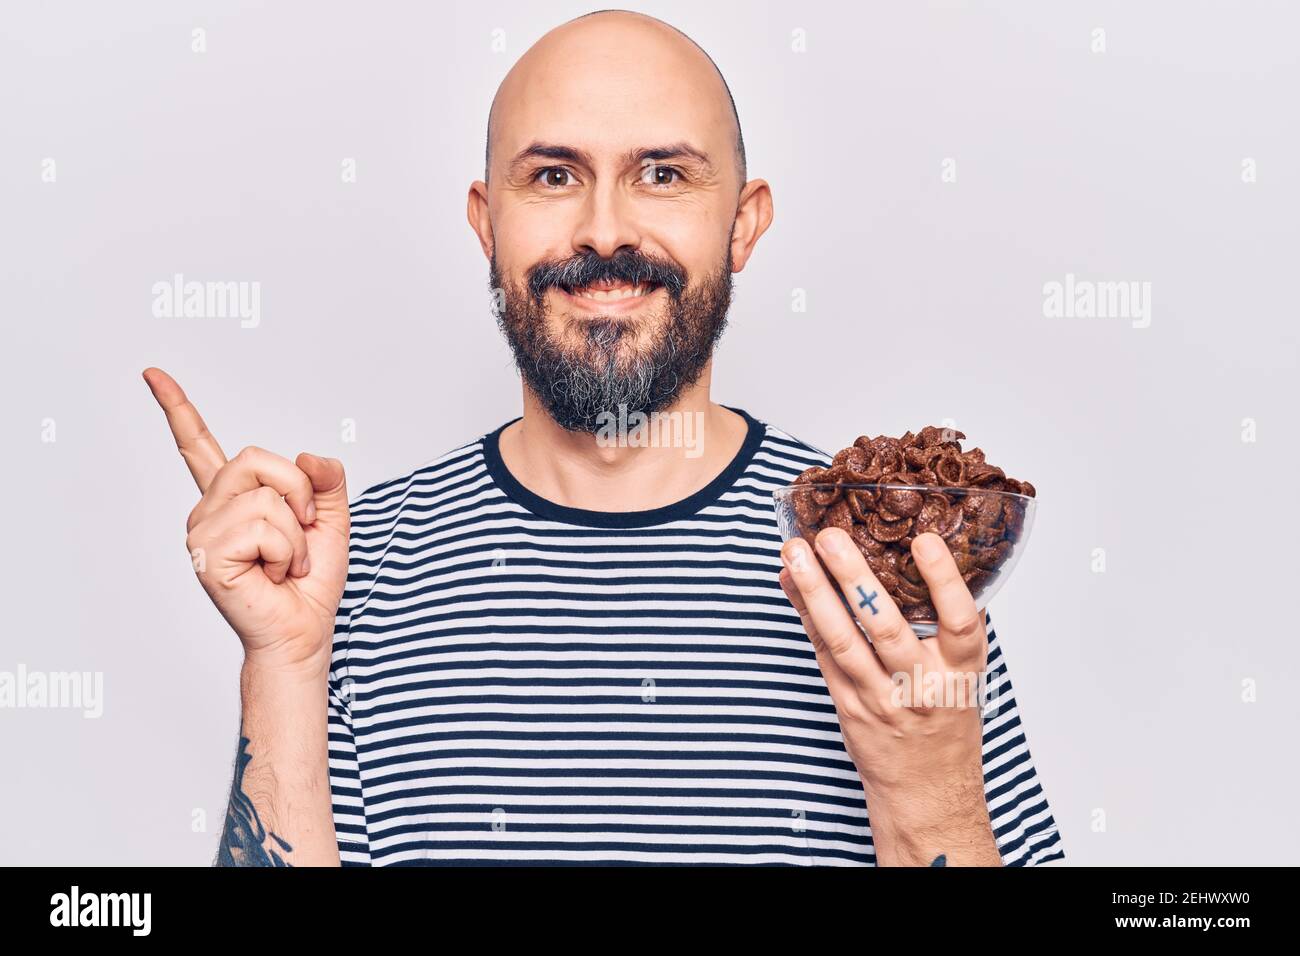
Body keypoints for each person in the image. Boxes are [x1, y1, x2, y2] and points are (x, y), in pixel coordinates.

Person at [145, 9, 1063, 866]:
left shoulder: (883, 564)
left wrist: (932, 791)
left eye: (662, 174)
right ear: (487, 223)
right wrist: (282, 666)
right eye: (553, 176)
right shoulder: (337, 578)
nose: (606, 230)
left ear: (742, 224)